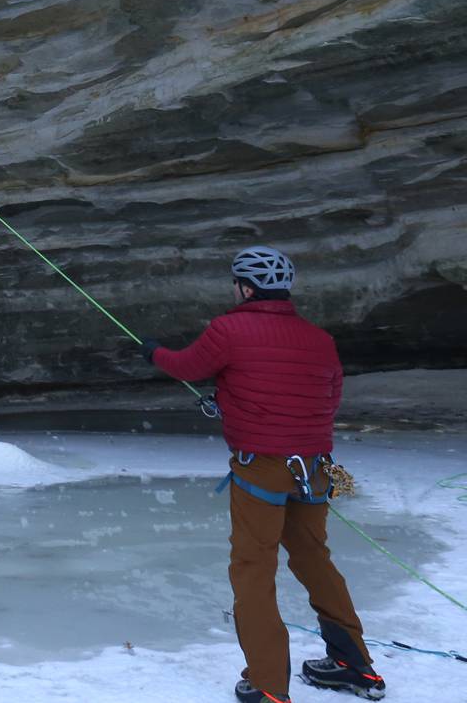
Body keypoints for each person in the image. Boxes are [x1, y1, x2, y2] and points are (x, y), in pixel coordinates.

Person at [145, 248, 384, 703]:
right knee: (315, 560)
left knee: (254, 571)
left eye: (237, 283)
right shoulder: (319, 339)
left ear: (245, 287)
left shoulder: (229, 328)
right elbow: (327, 398)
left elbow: (186, 367)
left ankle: (269, 686)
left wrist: (152, 351)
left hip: (263, 469)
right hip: (313, 469)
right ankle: (356, 667)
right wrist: (235, 403)